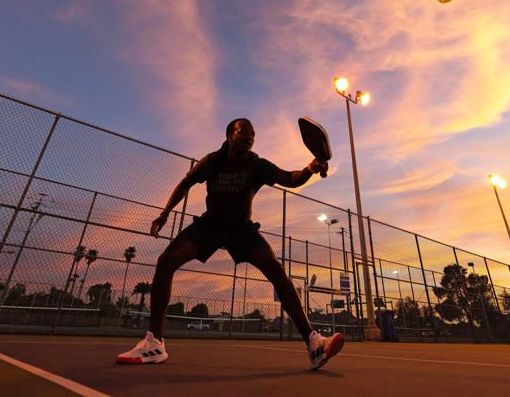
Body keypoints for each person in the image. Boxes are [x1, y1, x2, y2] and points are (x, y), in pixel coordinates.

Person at [116, 118, 343, 370]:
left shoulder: (257, 165)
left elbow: (290, 179)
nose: (249, 137)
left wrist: (310, 168)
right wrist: (165, 213)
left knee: (277, 272)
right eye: (243, 133)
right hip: (209, 227)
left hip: (241, 231)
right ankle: (154, 344)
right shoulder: (212, 161)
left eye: (252, 135)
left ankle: (314, 343)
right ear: (229, 135)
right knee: (166, 261)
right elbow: (185, 183)